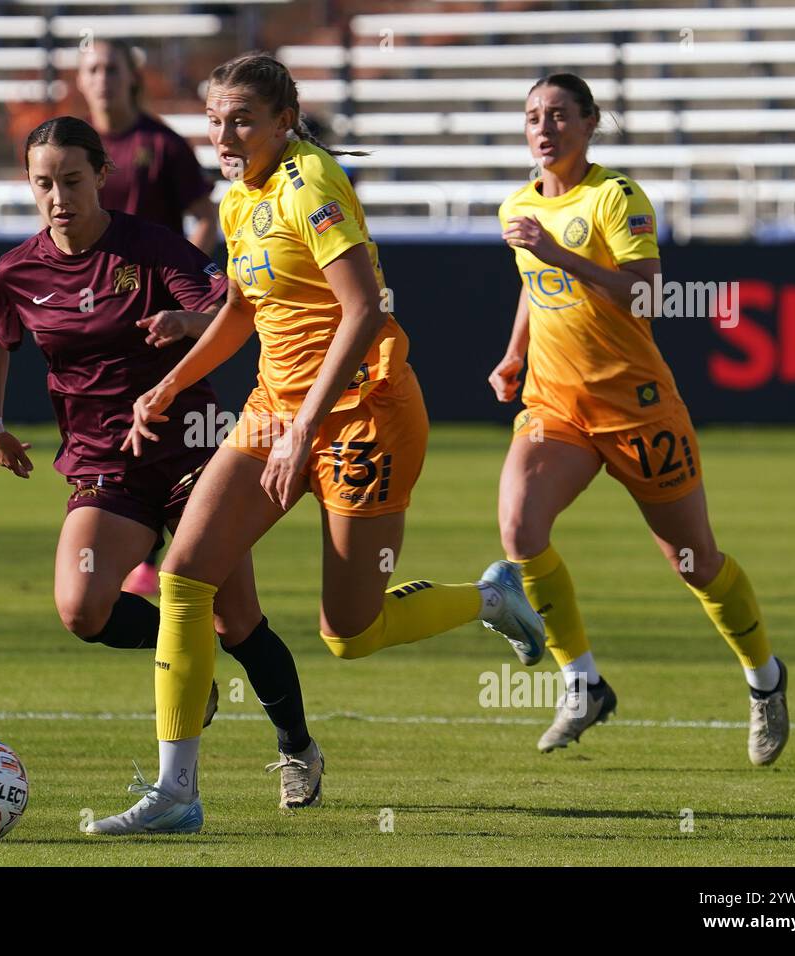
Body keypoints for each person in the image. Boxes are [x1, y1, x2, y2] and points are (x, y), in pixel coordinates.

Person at [84, 53, 543, 835]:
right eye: (216, 120)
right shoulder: (241, 197)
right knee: (187, 575)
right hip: (276, 411)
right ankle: (176, 795)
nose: (225, 135)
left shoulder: (313, 184)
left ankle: (492, 597)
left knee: (350, 633)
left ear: (283, 120)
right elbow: (240, 309)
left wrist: (305, 430)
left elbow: (362, 311)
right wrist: (169, 385)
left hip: (365, 412)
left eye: (242, 120)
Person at [0, 116, 321, 814]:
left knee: (236, 622)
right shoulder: (18, 270)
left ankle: (297, 748)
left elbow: (233, 310)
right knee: (81, 608)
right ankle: (192, 674)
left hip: (192, 449)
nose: (58, 197)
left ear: (103, 176)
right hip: (104, 464)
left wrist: (183, 324)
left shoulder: (153, 248)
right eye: (44, 183)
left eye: (72, 180)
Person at [489, 73, 788, 764]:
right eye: (534, 115)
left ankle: (765, 682)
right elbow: (535, 287)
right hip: (556, 406)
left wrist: (559, 252)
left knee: (695, 563)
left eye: (561, 114)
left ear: (591, 123)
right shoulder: (517, 205)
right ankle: (582, 682)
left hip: (637, 409)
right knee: (519, 529)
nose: (545, 127)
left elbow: (647, 294)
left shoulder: (615, 197)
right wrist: (513, 354)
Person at [74, 38, 221, 597]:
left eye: (112, 67)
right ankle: (139, 549)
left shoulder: (159, 144)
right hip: (98, 318)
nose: (103, 77)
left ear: (131, 78)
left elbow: (202, 214)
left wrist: (186, 286)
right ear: (81, 79)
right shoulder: (73, 149)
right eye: (93, 68)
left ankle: (173, 557)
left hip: (157, 317)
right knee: (102, 424)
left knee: (170, 425)